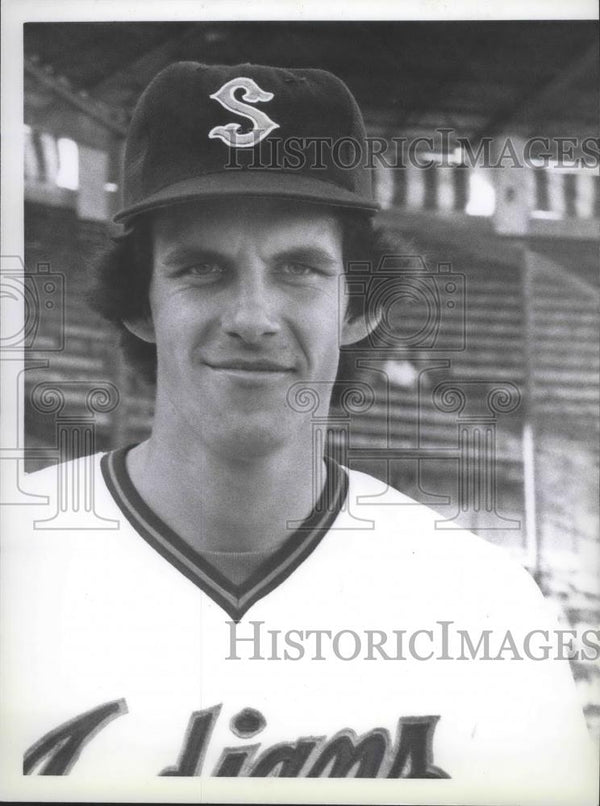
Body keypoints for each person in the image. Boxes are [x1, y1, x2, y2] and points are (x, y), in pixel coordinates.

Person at [3, 62, 596, 803]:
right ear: (137, 302)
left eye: (299, 269)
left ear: (359, 308)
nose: (252, 317)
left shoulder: (482, 605)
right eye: (202, 268)